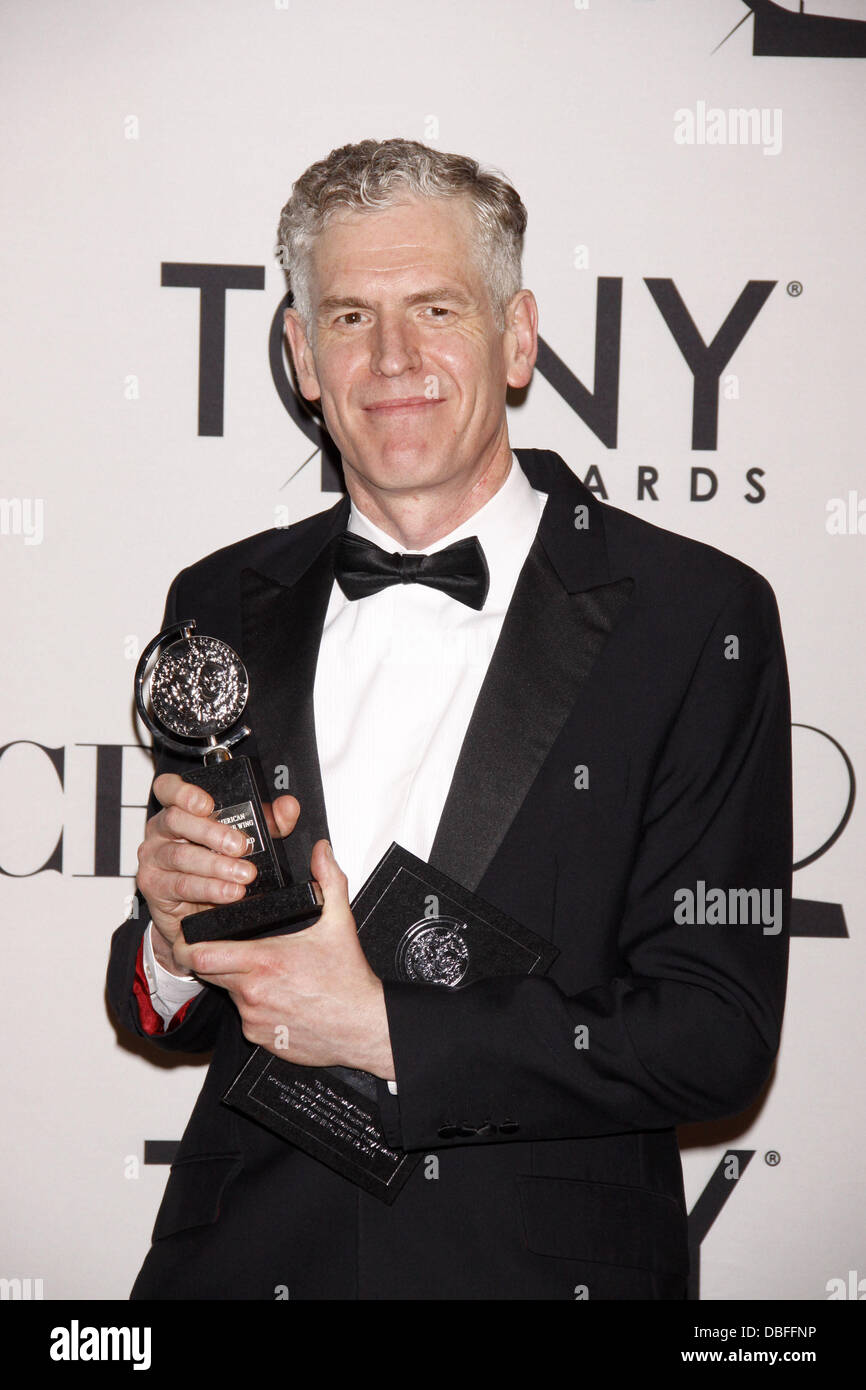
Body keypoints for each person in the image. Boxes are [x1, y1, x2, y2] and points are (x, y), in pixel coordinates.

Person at [107, 138, 792, 1301]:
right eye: (350, 317)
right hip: (238, 1263)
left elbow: (711, 1032)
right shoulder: (216, 600)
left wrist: (383, 1027)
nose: (393, 359)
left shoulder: (693, 617)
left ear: (516, 337)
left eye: (435, 308)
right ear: (300, 355)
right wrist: (171, 943)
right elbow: (168, 995)